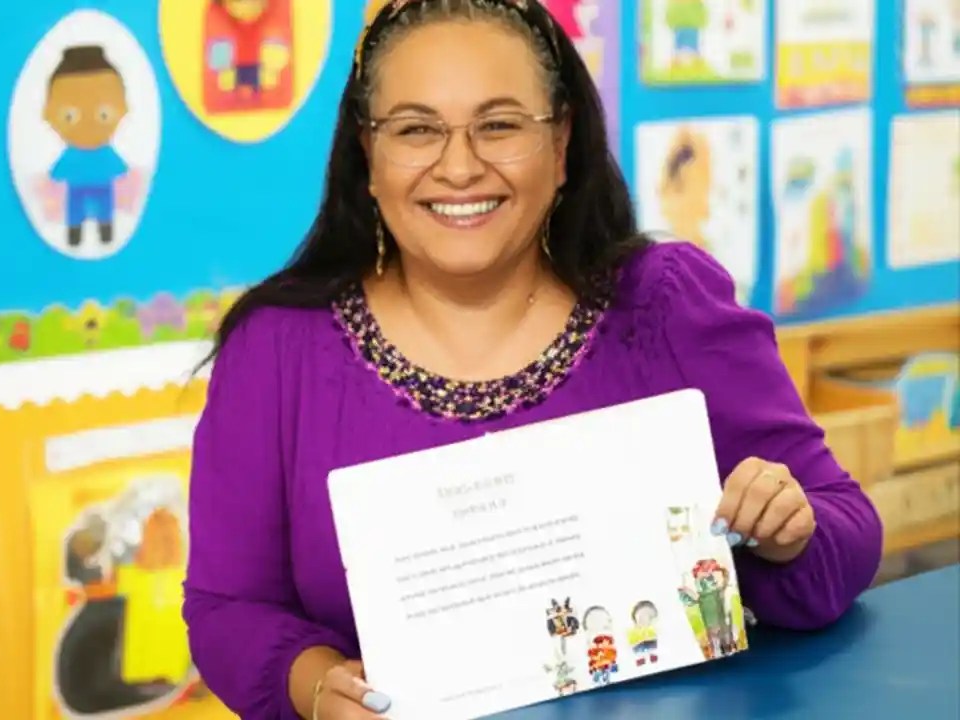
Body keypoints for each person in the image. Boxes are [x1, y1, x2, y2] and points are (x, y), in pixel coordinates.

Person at [182, 1, 883, 718]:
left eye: (500, 125)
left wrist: (787, 532)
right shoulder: (276, 350)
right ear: (368, 152)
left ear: (561, 142)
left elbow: (848, 534)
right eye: (417, 129)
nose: (460, 167)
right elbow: (228, 609)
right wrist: (315, 685)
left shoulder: (668, 306)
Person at [44, 45, 131, 248]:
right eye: (69, 116)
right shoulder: (79, 154)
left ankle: (99, 229)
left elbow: (58, 172)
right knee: (78, 207)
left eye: (103, 115)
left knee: (99, 206)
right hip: (84, 186)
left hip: (91, 185)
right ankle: (81, 231)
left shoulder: (95, 154)